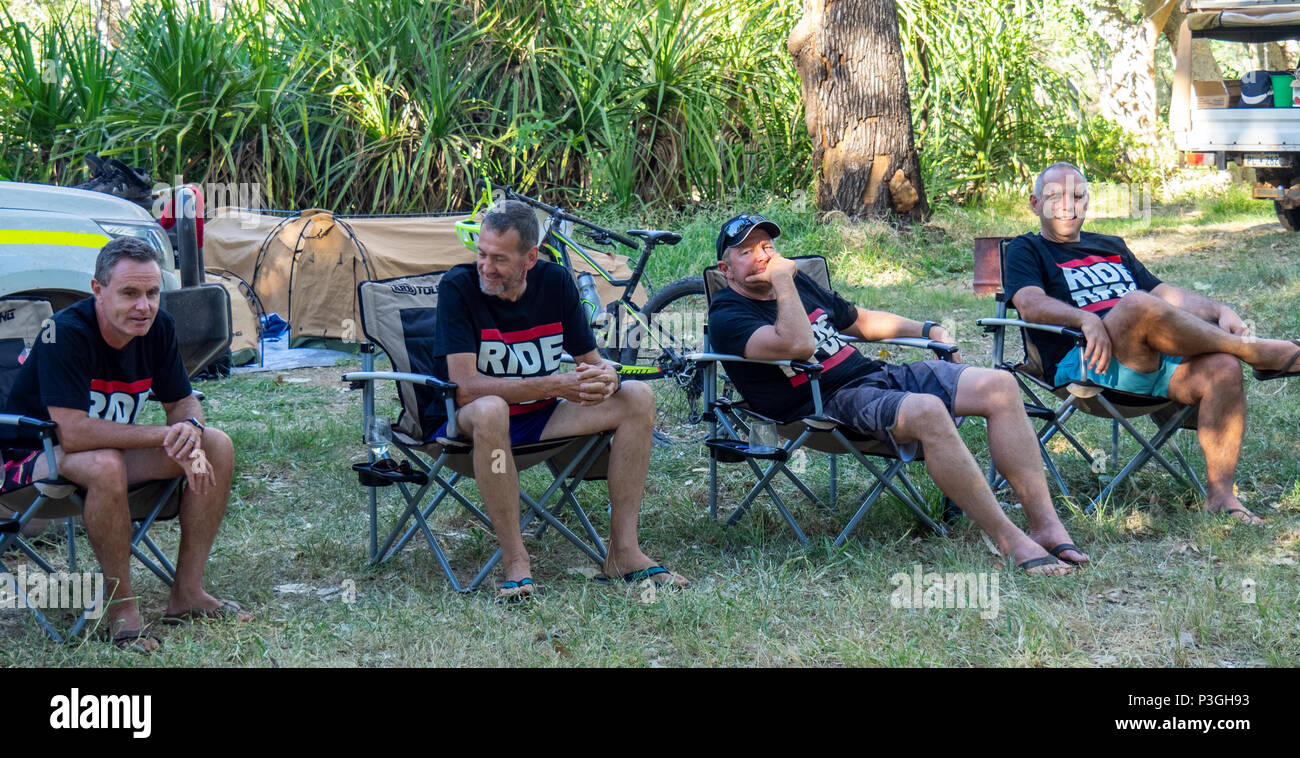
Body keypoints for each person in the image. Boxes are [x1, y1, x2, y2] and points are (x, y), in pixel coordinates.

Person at [708, 213, 1089, 575]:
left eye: (767, 247)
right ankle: (1009, 539)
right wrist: (784, 283)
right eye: (747, 251)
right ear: (726, 270)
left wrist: (927, 329)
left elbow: (856, 320)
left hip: (873, 377)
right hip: (823, 405)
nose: (763, 256)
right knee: (927, 410)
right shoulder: (729, 314)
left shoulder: (797, 284)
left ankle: (1046, 526)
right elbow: (798, 344)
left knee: (1000, 386)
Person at [1005, 162, 1300, 525]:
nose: (1067, 205)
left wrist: (1219, 309)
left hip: (1148, 360)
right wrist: (1086, 319)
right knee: (1136, 303)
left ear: (1087, 201)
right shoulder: (1026, 248)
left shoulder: (1110, 245)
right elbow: (1029, 303)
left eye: (1077, 196)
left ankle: (1221, 497)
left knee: (1223, 367)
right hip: (1086, 363)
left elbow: (1164, 294)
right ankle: (1258, 352)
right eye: (1055, 197)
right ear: (1035, 203)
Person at [0, 238, 250, 653]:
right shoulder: (63, 333)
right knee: (104, 464)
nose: (143, 306)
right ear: (98, 290)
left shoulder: (157, 328)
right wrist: (163, 435)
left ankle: (187, 593)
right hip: (29, 463)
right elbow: (73, 433)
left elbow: (182, 400)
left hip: (105, 456)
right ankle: (122, 611)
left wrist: (190, 427)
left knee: (215, 445)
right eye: (130, 293)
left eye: (152, 293)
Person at [432, 199, 688, 600]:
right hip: (468, 423)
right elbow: (465, 388)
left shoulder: (555, 283)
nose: (485, 266)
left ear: (530, 258)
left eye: (499, 258)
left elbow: (589, 363)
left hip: (541, 419)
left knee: (637, 395)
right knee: (492, 408)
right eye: (481, 254)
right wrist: (553, 385)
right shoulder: (458, 287)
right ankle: (516, 560)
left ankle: (623, 552)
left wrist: (607, 376)